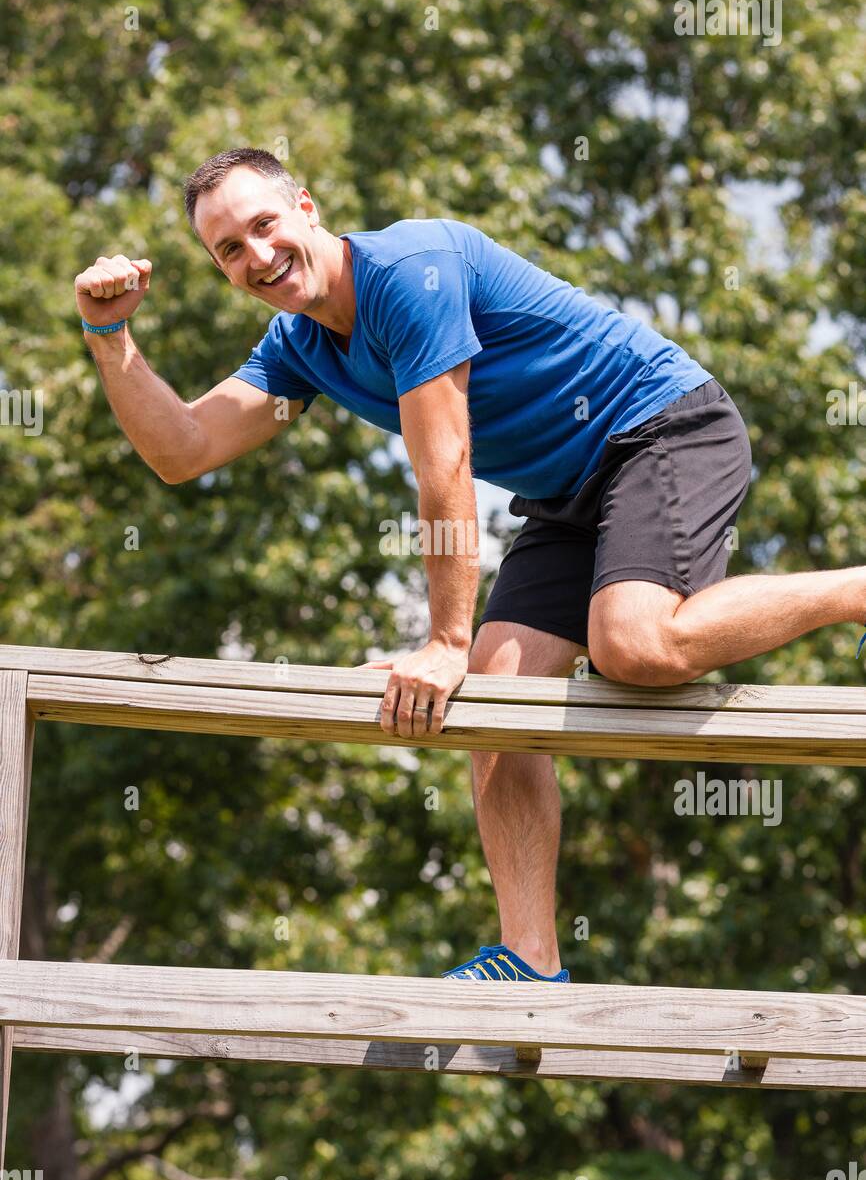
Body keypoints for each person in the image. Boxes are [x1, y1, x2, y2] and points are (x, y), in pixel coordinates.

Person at [73, 148, 865, 985]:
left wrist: (444, 639)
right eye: (229, 250)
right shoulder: (300, 347)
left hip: (662, 424)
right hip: (566, 489)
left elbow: (444, 463)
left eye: (264, 225)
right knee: (497, 698)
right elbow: (183, 450)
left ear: (306, 206)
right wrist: (109, 334)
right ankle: (530, 960)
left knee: (634, 647)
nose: (257, 257)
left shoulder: (410, 272)